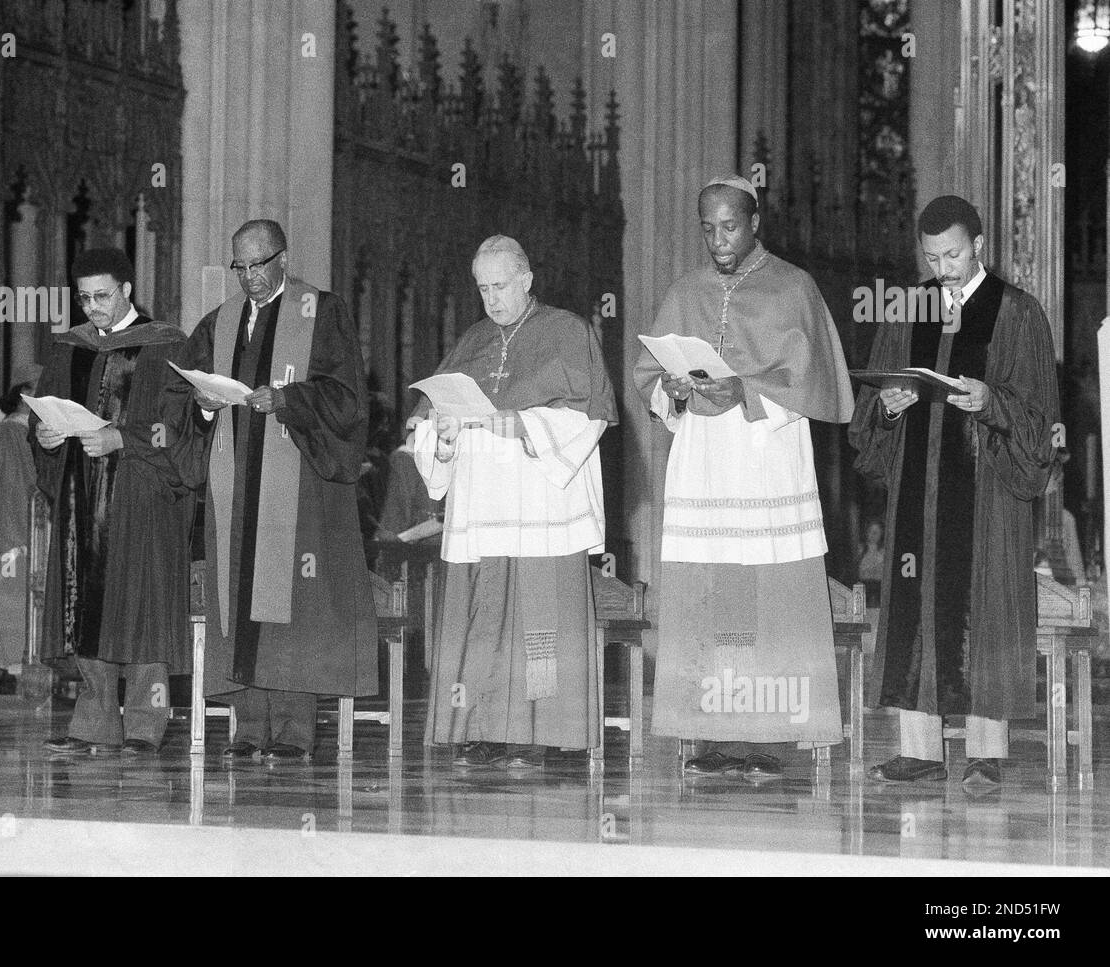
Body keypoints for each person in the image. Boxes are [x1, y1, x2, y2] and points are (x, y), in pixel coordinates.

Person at [634, 175, 854, 782]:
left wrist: (746, 389)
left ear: (754, 221)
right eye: (707, 228)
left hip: (766, 455)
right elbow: (649, 375)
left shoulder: (794, 287)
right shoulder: (685, 290)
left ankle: (774, 733)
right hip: (703, 459)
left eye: (729, 226)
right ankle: (707, 730)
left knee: (771, 594)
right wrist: (671, 392)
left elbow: (815, 384)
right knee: (708, 592)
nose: (718, 240)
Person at [850, 194, 1060, 787]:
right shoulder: (907, 308)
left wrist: (990, 401)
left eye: (954, 254)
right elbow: (871, 413)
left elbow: (1040, 416)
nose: (942, 268)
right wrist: (890, 408)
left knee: (984, 604)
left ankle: (987, 753)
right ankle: (919, 749)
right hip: (919, 491)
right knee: (916, 598)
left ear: (979, 247)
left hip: (987, 492)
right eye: (932, 255)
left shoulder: (1016, 312)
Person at [167, 218, 378, 762]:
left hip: (297, 484)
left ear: (283, 258)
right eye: (240, 267)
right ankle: (249, 725)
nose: (250, 277)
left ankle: (292, 731)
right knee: (239, 601)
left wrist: (287, 401)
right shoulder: (219, 322)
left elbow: (348, 398)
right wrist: (203, 403)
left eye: (259, 264)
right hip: (235, 485)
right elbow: (183, 388)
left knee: (292, 607)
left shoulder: (322, 312)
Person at [411, 234, 617, 769]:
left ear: (526, 279)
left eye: (501, 286)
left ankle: (543, 728)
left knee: (539, 621)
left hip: (539, 504)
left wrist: (518, 423)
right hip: (482, 506)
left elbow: (587, 417)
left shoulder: (569, 332)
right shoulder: (473, 340)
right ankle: (481, 726)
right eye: (483, 288)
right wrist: (444, 435)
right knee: (484, 620)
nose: (492, 299)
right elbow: (430, 420)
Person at [33, 248, 195, 756]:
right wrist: (46, 438)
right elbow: (47, 410)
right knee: (86, 605)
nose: (92, 308)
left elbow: (182, 427)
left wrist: (124, 439)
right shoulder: (69, 348)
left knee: (142, 607)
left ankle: (146, 725)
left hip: (141, 498)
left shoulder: (167, 345)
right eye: (83, 297)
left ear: (127, 290)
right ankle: (94, 722)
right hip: (82, 494)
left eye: (102, 295)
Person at [0, 363, 42, 691]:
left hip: (23, 528)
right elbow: (15, 487)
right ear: (23, 395)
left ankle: (11, 661)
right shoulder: (9, 433)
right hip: (14, 532)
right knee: (13, 598)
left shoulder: (21, 431)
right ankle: (10, 663)